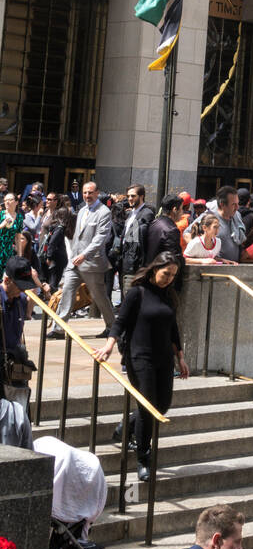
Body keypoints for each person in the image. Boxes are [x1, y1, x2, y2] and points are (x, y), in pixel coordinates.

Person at [95, 251, 189, 481]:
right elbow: (120, 322)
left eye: (173, 275)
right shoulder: (137, 293)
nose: (169, 279)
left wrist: (181, 356)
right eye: (166, 273)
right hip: (140, 357)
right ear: (155, 269)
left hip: (164, 358)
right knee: (148, 409)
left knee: (162, 407)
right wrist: (108, 346)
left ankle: (126, 425)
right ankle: (143, 458)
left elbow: (173, 328)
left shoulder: (169, 296)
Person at [49, 183, 115, 339]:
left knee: (99, 297)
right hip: (75, 262)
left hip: (92, 263)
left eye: (90, 192)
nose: (87, 195)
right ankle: (59, 329)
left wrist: (84, 255)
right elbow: (77, 236)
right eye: (85, 192)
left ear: (97, 193)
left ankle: (112, 326)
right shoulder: (82, 210)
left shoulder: (104, 212)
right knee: (66, 291)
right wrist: (73, 257)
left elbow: (100, 239)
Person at [120, 185, 155, 293]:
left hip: (135, 265)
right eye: (128, 196)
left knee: (131, 297)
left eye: (133, 196)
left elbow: (139, 242)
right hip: (125, 262)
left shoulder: (146, 214)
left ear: (141, 196)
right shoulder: (130, 213)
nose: (130, 198)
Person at [208, 186, 246, 263]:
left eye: (238, 204)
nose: (237, 207)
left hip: (235, 267)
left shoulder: (237, 216)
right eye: (233, 204)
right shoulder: (209, 217)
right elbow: (187, 234)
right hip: (216, 269)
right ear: (222, 204)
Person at [144, 195, 183, 268]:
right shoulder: (172, 230)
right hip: (162, 273)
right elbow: (175, 258)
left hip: (149, 269)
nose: (182, 213)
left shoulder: (154, 223)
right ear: (175, 210)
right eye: (181, 209)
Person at [0, 191, 23, 277]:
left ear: (16, 202)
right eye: (5, 200)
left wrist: (20, 255)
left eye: (10, 199)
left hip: (8, 251)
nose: (7, 202)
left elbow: (18, 237)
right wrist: (2, 225)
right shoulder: (0, 214)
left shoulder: (19, 218)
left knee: (6, 277)